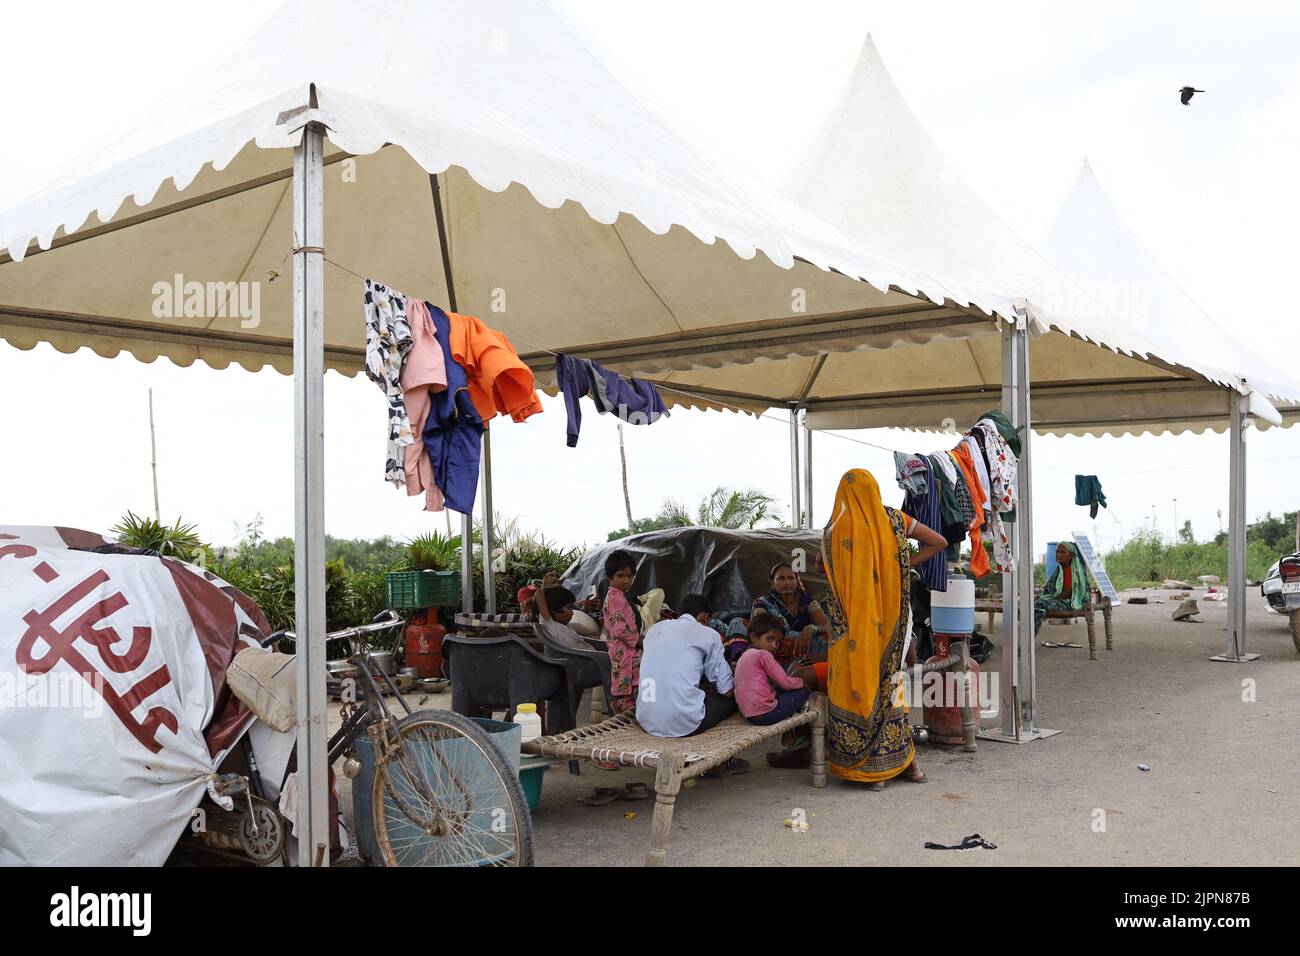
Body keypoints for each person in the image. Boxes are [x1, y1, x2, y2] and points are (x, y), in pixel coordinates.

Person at [820, 468, 946, 790]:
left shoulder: (833, 530)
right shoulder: (895, 519)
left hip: (849, 632)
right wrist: (902, 567)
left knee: (856, 689)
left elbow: (826, 573)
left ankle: (868, 772)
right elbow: (938, 542)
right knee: (893, 688)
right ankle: (906, 765)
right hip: (893, 625)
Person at [635, 593, 736, 738]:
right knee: (733, 702)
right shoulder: (709, 634)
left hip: (646, 719)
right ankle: (725, 760)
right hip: (684, 724)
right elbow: (726, 690)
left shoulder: (654, 630)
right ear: (705, 617)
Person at [735, 611, 813, 726]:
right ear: (753, 637)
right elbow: (785, 682)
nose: (774, 646)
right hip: (764, 715)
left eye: (777, 642)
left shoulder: (745, 655)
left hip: (749, 714)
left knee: (777, 689)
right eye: (769, 639)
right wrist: (802, 682)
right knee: (803, 692)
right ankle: (799, 718)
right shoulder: (763, 654)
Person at [752, 563, 831, 664]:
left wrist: (811, 629)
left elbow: (826, 625)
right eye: (781, 578)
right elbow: (760, 630)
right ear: (772, 583)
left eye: (791, 578)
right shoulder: (763, 603)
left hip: (806, 648)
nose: (787, 582)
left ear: (797, 581)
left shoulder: (807, 601)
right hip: (777, 649)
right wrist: (786, 638)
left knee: (822, 639)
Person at [599, 550, 642, 715]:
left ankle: (622, 708)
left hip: (626, 647)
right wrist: (638, 640)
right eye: (621, 575)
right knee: (631, 680)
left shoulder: (620, 595)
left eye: (630, 576)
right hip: (623, 649)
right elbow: (619, 629)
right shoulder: (615, 597)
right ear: (610, 577)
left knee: (629, 684)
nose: (626, 580)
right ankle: (624, 712)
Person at [1034, 542, 1091, 634]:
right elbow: (1051, 589)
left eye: (1063, 552)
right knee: (1032, 600)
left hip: (1071, 602)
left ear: (1071, 556)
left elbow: (1069, 593)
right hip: (1061, 599)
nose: (1058, 554)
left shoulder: (1074, 570)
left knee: (1040, 604)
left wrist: (1050, 598)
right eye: (1057, 552)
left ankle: (1030, 636)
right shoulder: (1060, 569)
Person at [532, 585, 594, 651]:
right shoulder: (553, 628)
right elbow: (539, 595)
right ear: (554, 610)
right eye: (569, 607)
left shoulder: (557, 626)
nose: (572, 613)